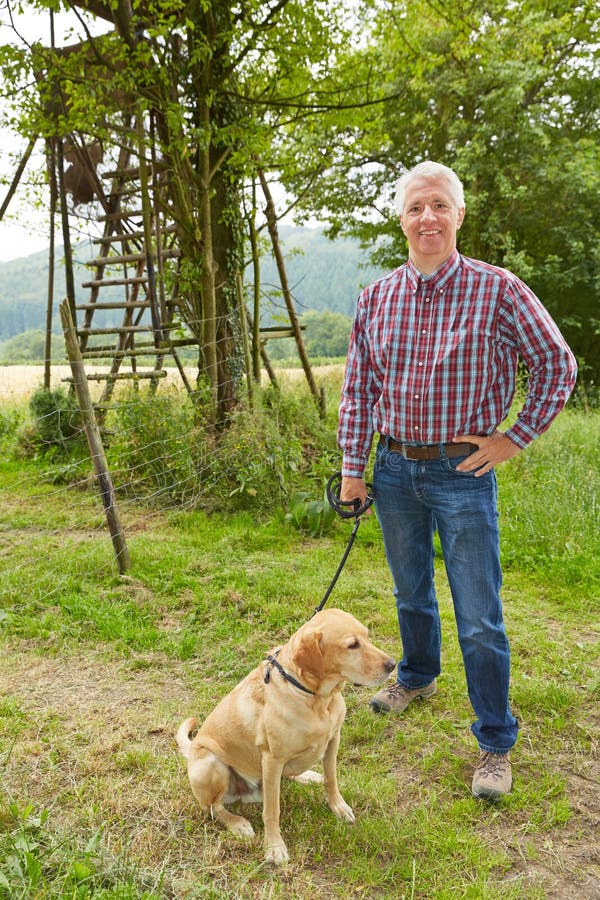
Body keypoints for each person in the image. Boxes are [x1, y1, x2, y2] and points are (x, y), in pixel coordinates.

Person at [337, 160, 577, 799]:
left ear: (459, 215)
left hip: (464, 473)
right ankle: (415, 673)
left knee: (478, 616)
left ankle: (494, 742)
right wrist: (352, 471)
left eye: (440, 206)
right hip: (393, 470)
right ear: (401, 218)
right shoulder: (376, 298)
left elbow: (558, 364)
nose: (428, 219)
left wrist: (512, 438)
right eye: (416, 207)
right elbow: (359, 391)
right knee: (409, 592)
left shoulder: (498, 290)